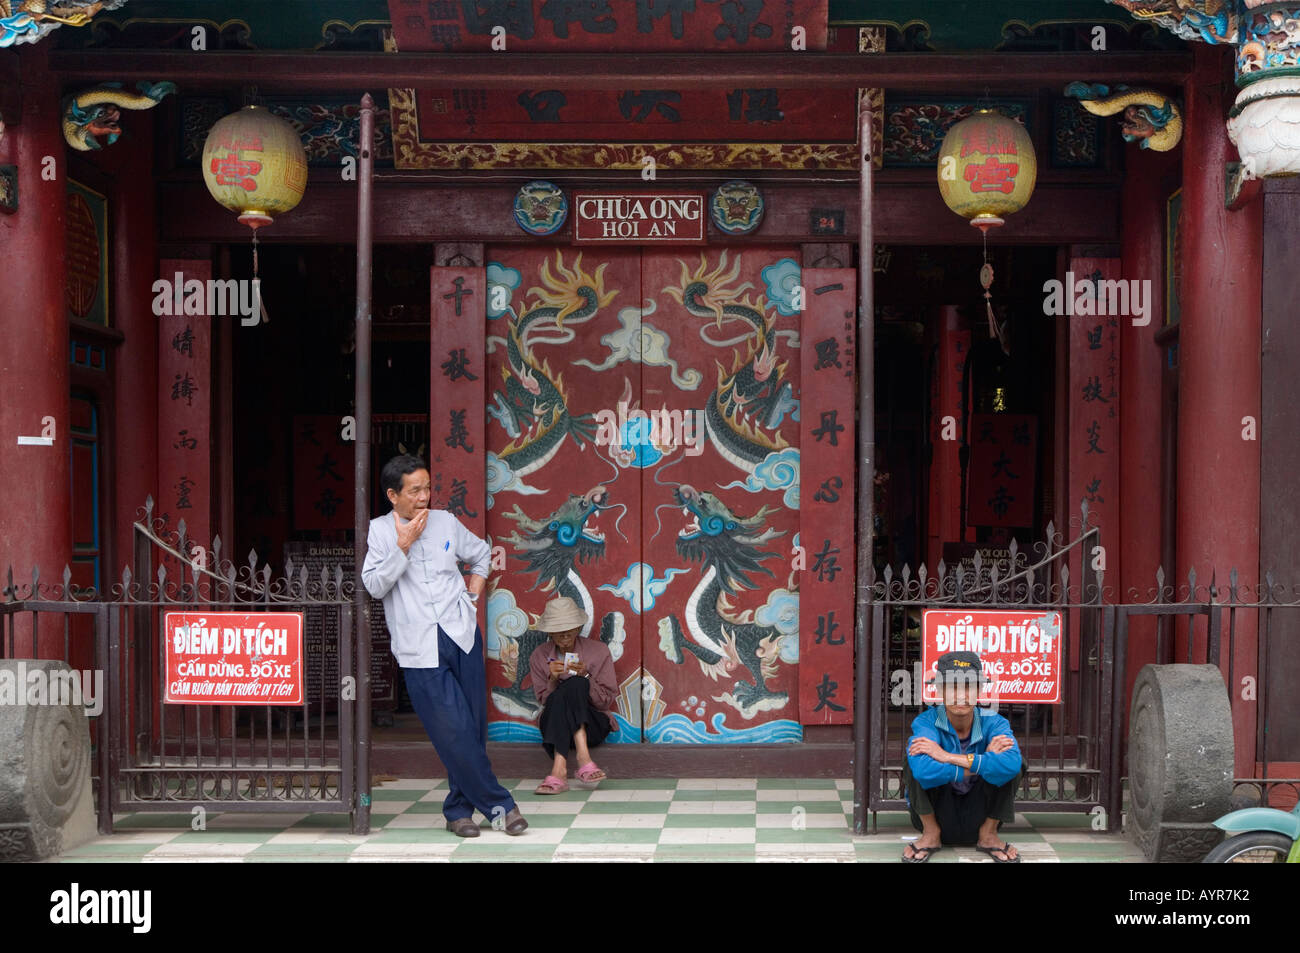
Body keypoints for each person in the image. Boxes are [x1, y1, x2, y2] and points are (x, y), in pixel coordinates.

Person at [361, 454, 527, 838]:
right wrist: (401, 547)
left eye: (427, 487)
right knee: (451, 729)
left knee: (471, 727)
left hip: (462, 635)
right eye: (415, 490)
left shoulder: (446, 522)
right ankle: (501, 806)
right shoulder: (381, 532)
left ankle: (458, 811)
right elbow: (373, 586)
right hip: (418, 644)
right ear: (392, 495)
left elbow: (481, 554)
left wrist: (472, 598)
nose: (424, 496)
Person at [901, 651, 1023, 863]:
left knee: (1015, 765)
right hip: (938, 815)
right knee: (913, 759)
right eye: (952, 687)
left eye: (968, 686)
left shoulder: (995, 722)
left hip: (981, 817)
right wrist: (984, 760)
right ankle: (930, 835)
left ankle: (989, 835)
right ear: (939, 689)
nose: (960, 695)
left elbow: (1012, 765)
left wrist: (946, 756)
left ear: (980, 690)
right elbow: (923, 770)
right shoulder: (926, 722)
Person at [527, 596, 618, 794]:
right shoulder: (539, 656)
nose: (565, 637)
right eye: (558, 633)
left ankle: (559, 771)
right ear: (550, 632)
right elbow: (544, 700)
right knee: (562, 694)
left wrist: (586, 675)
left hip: (593, 723)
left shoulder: (598, 651)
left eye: (569, 631)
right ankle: (583, 761)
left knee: (577, 682)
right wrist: (552, 679)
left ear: (578, 628)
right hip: (555, 728)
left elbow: (605, 701)